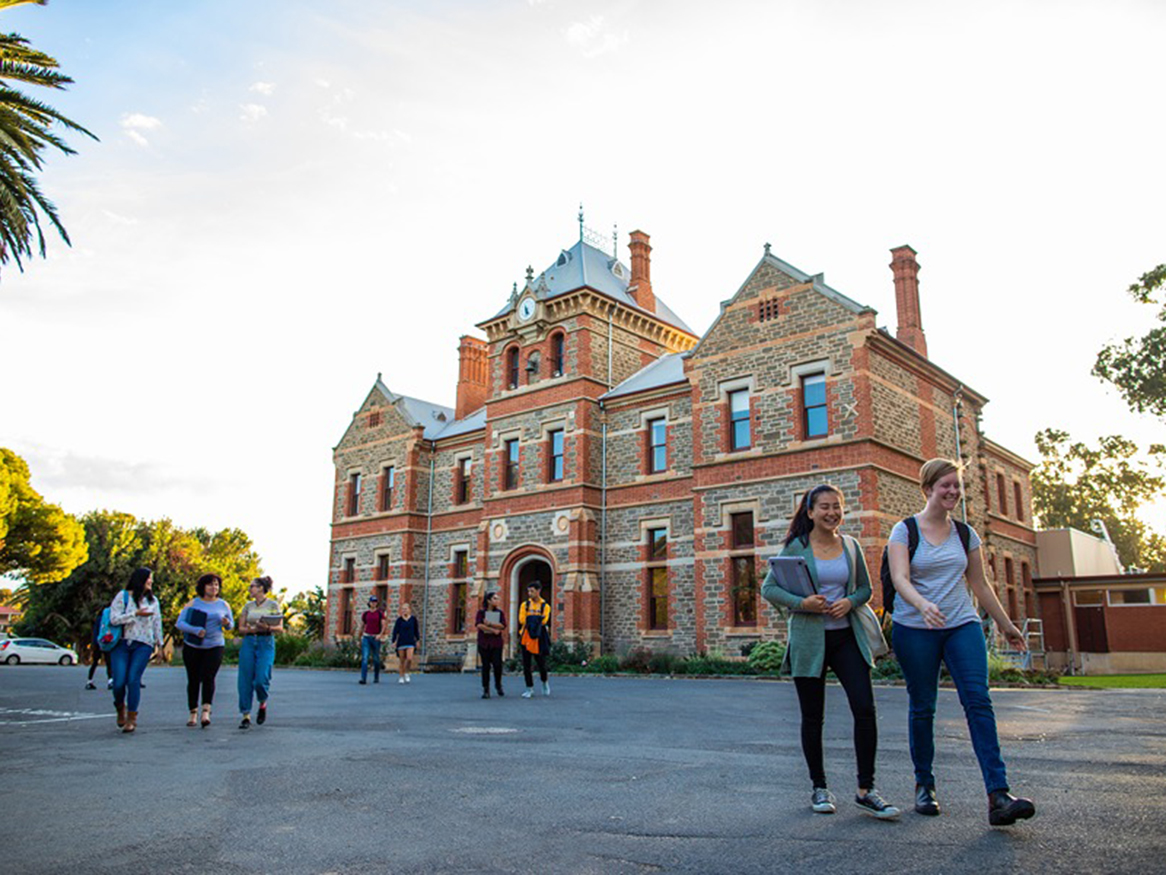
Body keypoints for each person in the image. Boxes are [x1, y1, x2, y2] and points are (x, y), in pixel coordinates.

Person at [887, 458, 1036, 827]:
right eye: (945, 485)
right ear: (928, 489)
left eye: (957, 485)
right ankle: (924, 785)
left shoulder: (966, 534)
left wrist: (1006, 625)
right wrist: (922, 605)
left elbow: (980, 584)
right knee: (923, 707)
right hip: (915, 627)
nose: (953, 491)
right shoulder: (904, 531)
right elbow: (900, 578)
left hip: (960, 624)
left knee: (979, 701)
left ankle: (998, 795)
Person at [762, 485, 900, 820]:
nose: (832, 513)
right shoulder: (797, 547)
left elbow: (866, 589)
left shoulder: (850, 546)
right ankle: (819, 787)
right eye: (824, 507)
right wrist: (802, 604)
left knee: (864, 709)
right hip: (810, 641)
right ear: (810, 512)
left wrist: (849, 601)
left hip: (846, 638)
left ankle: (866, 790)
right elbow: (770, 588)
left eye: (837, 507)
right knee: (813, 717)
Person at [108, 567, 164, 733]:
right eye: (149, 578)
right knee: (118, 682)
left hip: (143, 644)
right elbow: (114, 619)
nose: (151, 581)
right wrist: (135, 614)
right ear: (140, 579)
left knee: (133, 679)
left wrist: (159, 645)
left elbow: (157, 623)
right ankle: (120, 707)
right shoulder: (123, 596)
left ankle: (132, 718)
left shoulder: (153, 601)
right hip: (121, 643)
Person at [175, 573, 234, 727]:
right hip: (193, 646)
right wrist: (195, 630)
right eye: (210, 584)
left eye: (216, 585)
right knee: (193, 679)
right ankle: (193, 712)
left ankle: (206, 711)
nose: (214, 587)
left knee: (209, 677)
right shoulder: (193, 603)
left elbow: (231, 626)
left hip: (215, 645)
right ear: (203, 587)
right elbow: (179, 623)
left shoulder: (223, 604)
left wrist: (226, 623)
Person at [236, 576, 282, 729]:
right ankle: (246, 715)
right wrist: (253, 629)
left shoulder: (272, 605)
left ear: (261, 588)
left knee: (261, 678)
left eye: (252, 586)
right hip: (250, 641)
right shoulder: (248, 606)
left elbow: (280, 628)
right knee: (245, 678)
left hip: (266, 641)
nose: (250, 589)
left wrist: (267, 628)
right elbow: (241, 628)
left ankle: (263, 702)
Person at [518, 583, 551, 698]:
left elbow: (544, 620)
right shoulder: (525, 605)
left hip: (538, 637)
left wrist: (531, 619)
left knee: (541, 663)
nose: (529, 594)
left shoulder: (545, 606)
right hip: (525, 636)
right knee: (526, 664)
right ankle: (529, 688)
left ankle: (544, 682)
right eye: (528, 591)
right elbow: (522, 620)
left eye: (532, 591)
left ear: (538, 591)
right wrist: (536, 619)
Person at [475, 591, 506, 699]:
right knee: (485, 666)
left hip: (496, 643)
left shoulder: (500, 613)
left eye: (497, 598)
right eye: (495, 598)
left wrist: (490, 624)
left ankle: (498, 685)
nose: (497, 600)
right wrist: (493, 630)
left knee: (497, 665)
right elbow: (479, 625)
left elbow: (502, 625)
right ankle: (486, 689)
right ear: (488, 601)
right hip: (484, 643)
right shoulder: (481, 613)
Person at [358, 595, 387, 685]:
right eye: (372, 602)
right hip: (366, 636)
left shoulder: (379, 613)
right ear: (369, 603)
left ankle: (376, 676)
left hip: (375, 637)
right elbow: (362, 625)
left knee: (376, 658)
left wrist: (380, 634)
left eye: (375, 602)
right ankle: (363, 678)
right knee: (365, 658)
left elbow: (384, 625)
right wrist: (359, 636)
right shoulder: (366, 614)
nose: (373, 603)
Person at [391, 602, 419, 684]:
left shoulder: (413, 619)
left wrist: (417, 640)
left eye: (405, 609)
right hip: (401, 642)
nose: (404, 611)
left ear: (409, 610)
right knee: (402, 660)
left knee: (409, 659)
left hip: (410, 641)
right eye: (403, 609)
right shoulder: (399, 620)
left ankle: (407, 672)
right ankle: (401, 676)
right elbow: (395, 631)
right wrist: (394, 641)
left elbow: (416, 630)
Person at [85, 607, 112, 690]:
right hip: (105, 642)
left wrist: (93, 643)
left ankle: (89, 681)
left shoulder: (98, 619)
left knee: (95, 662)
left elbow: (95, 632)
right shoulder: (106, 619)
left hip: (97, 642)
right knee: (108, 663)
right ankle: (110, 681)